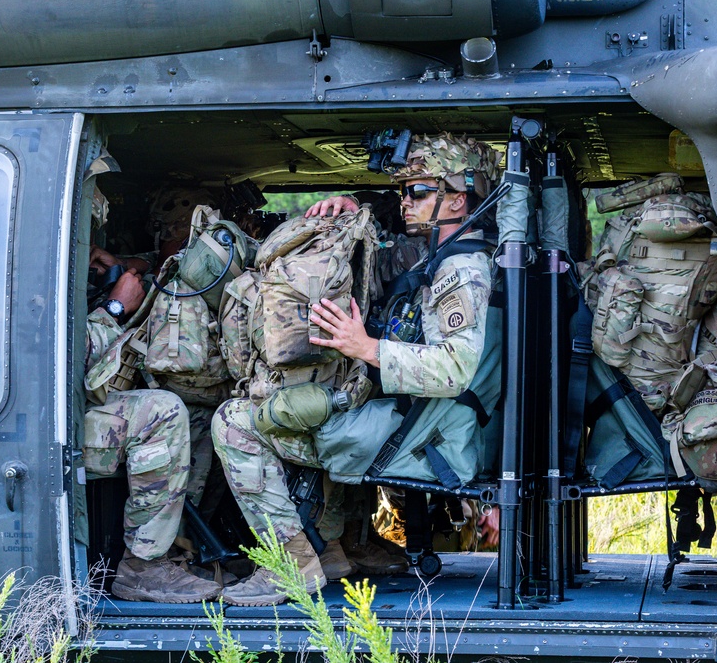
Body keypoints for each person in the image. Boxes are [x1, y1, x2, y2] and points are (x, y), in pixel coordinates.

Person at [212, 132, 502, 607]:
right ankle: (333, 549)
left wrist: (365, 347)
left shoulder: (461, 271)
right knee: (324, 392)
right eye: (402, 191)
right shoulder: (454, 254)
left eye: (418, 191)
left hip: (424, 436)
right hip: (425, 422)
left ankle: (290, 566)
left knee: (235, 421)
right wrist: (353, 214)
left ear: (458, 200)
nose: (405, 201)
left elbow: (454, 369)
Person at [81, 186, 224, 603]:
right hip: (51, 424)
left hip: (78, 405)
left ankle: (175, 550)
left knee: (201, 416)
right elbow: (64, 355)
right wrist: (114, 308)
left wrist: (126, 265)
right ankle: (142, 567)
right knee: (163, 410)